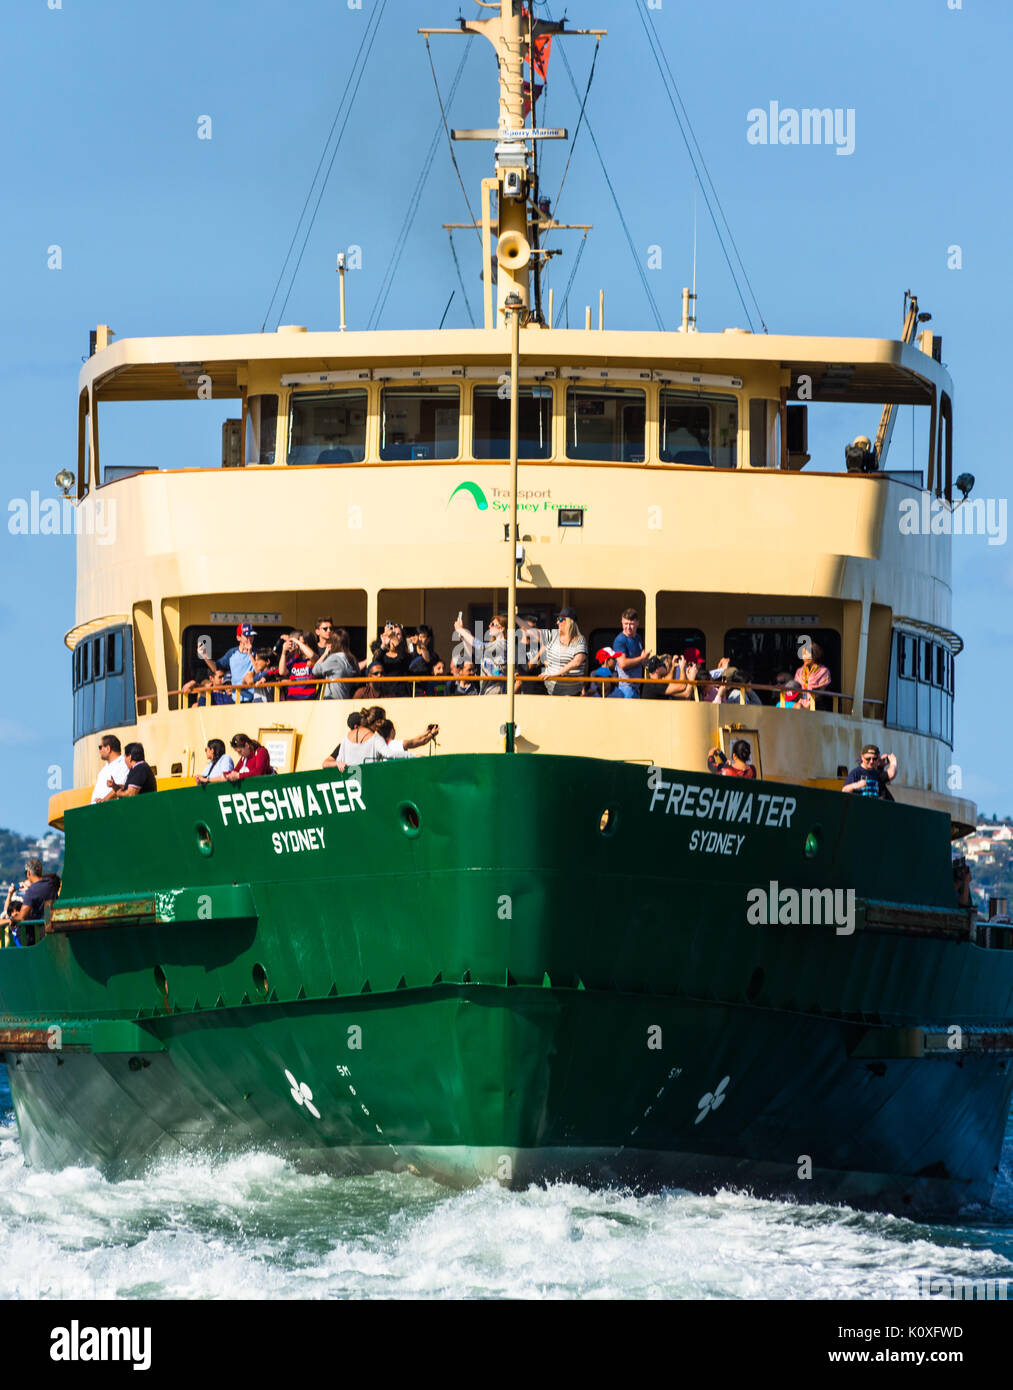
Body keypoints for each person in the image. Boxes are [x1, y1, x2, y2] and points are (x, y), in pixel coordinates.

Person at [519, 608, 587, 695]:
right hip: (551, 691)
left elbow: (577, 662)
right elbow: (529, 630)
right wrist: (514, 617)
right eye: (557, 619)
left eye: (560, 619)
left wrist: (556, 674)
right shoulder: (552, 636)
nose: (557, 622)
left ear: (569, 622)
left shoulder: (580, 640)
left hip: (572, 692)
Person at [1, 859, 61, 947]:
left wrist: (13, 920)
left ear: (29, 873)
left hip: (35, 936)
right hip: (51, 929)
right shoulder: (51, 884)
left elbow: (22, 917)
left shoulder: (32, 891)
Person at [453, 615, 506, 694]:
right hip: (488, 690)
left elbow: (480, 646)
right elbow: (473, 653)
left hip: (496, 691)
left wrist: (460, 630)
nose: (489, 626)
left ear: (502, 628)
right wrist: (464, 637)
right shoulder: (493, 645)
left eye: (492, 624)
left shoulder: (504, 644)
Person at [610, 608, 651, 698]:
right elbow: (623, 663)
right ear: (622, 622)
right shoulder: (620, 640)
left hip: (636, 687)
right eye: (625, 624)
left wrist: (646, 660)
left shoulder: (638, 638)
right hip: (625, 688)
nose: (628, 627)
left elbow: (642, 661)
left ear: (637, 623)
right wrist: (641, 658)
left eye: (631, 624)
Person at [312, 627, 360, 700]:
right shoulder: (352, 659)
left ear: (333, 643)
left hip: (332, 700)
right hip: (346, 698)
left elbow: (315, 670)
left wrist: (325, 653)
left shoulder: (334, 659)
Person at [370, 622, 413, 697]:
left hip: (402, 695)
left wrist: (394, 639)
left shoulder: (406, 655)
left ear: (402, 638)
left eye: (398, 634)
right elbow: (374, 663)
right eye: (393, 634)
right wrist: (383, 645)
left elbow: (404, 660)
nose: (395, 636)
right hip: (385, 695)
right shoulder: (382, 654)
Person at [278, 631, 318, 700]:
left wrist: (297, 641)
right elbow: (281, 672)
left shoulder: (315, 658)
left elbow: (311, 655)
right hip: (291, 700)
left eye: (304, 643)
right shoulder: (295, 658)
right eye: (299, 643)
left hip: (308, 700)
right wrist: (283, 652)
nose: (300, 646)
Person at [90, 733, 129, 803]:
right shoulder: (103, 771)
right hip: (96, 809)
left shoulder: (124, 764)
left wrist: (104, 800)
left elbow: (121, 787)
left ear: (108, 748)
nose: (99, 751)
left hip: (111, 808)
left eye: (100, 747)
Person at [795, 642, 831, 710]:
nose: (804, 657)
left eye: (806, 654)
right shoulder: (799, 671)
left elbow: (821, 692)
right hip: (799, 703)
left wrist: (809, 703)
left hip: (817, 706)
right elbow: (795, 689)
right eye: (803, 654)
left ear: (814, 655)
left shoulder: (824, 671)